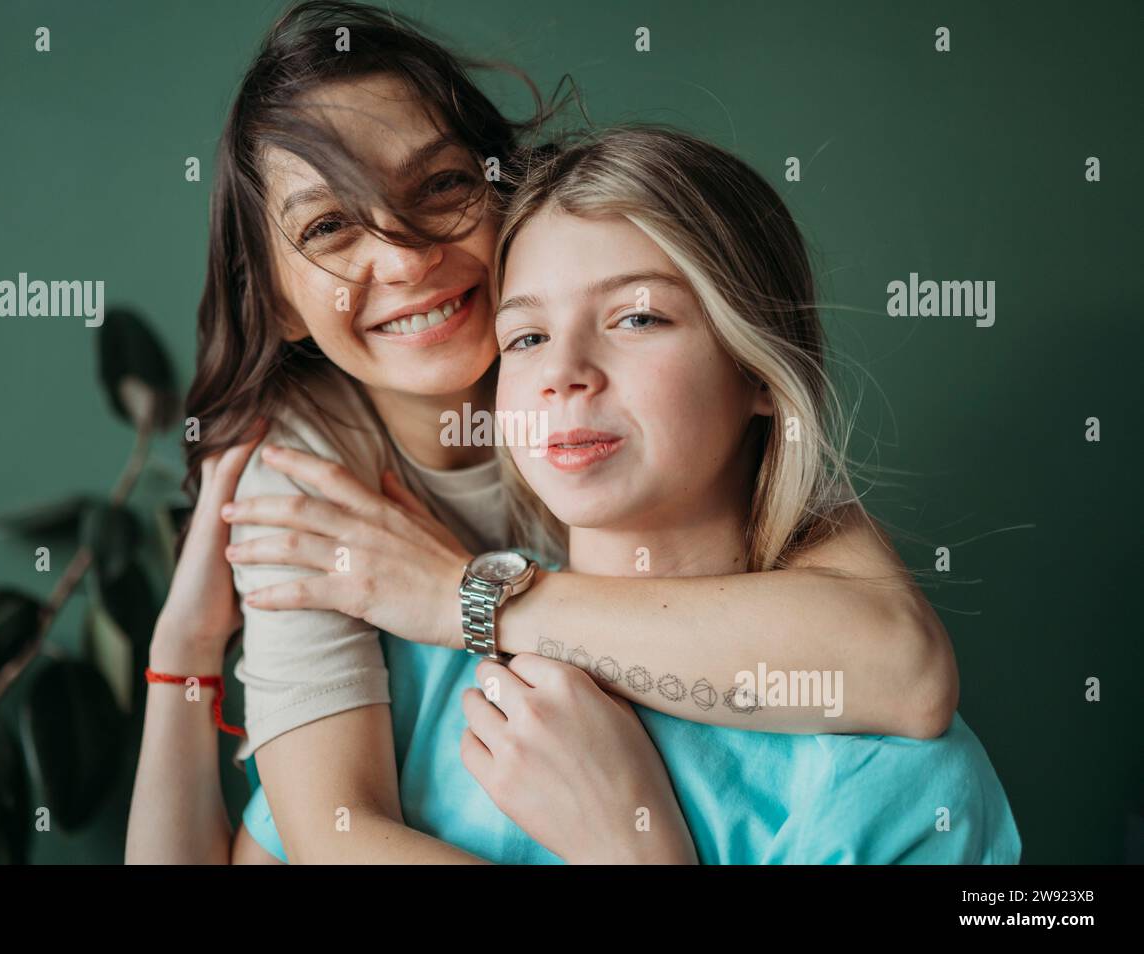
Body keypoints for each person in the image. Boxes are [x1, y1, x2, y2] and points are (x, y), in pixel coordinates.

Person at [126, 1, 957, 865]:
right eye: (330, 227)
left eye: (440, 186)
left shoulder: (675, 400)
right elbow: (330, 840)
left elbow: (904, 667)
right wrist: (182, 655)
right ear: (277, 302)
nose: (406, 257)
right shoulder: (311, 484)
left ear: (506, 194)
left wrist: (462, 598)